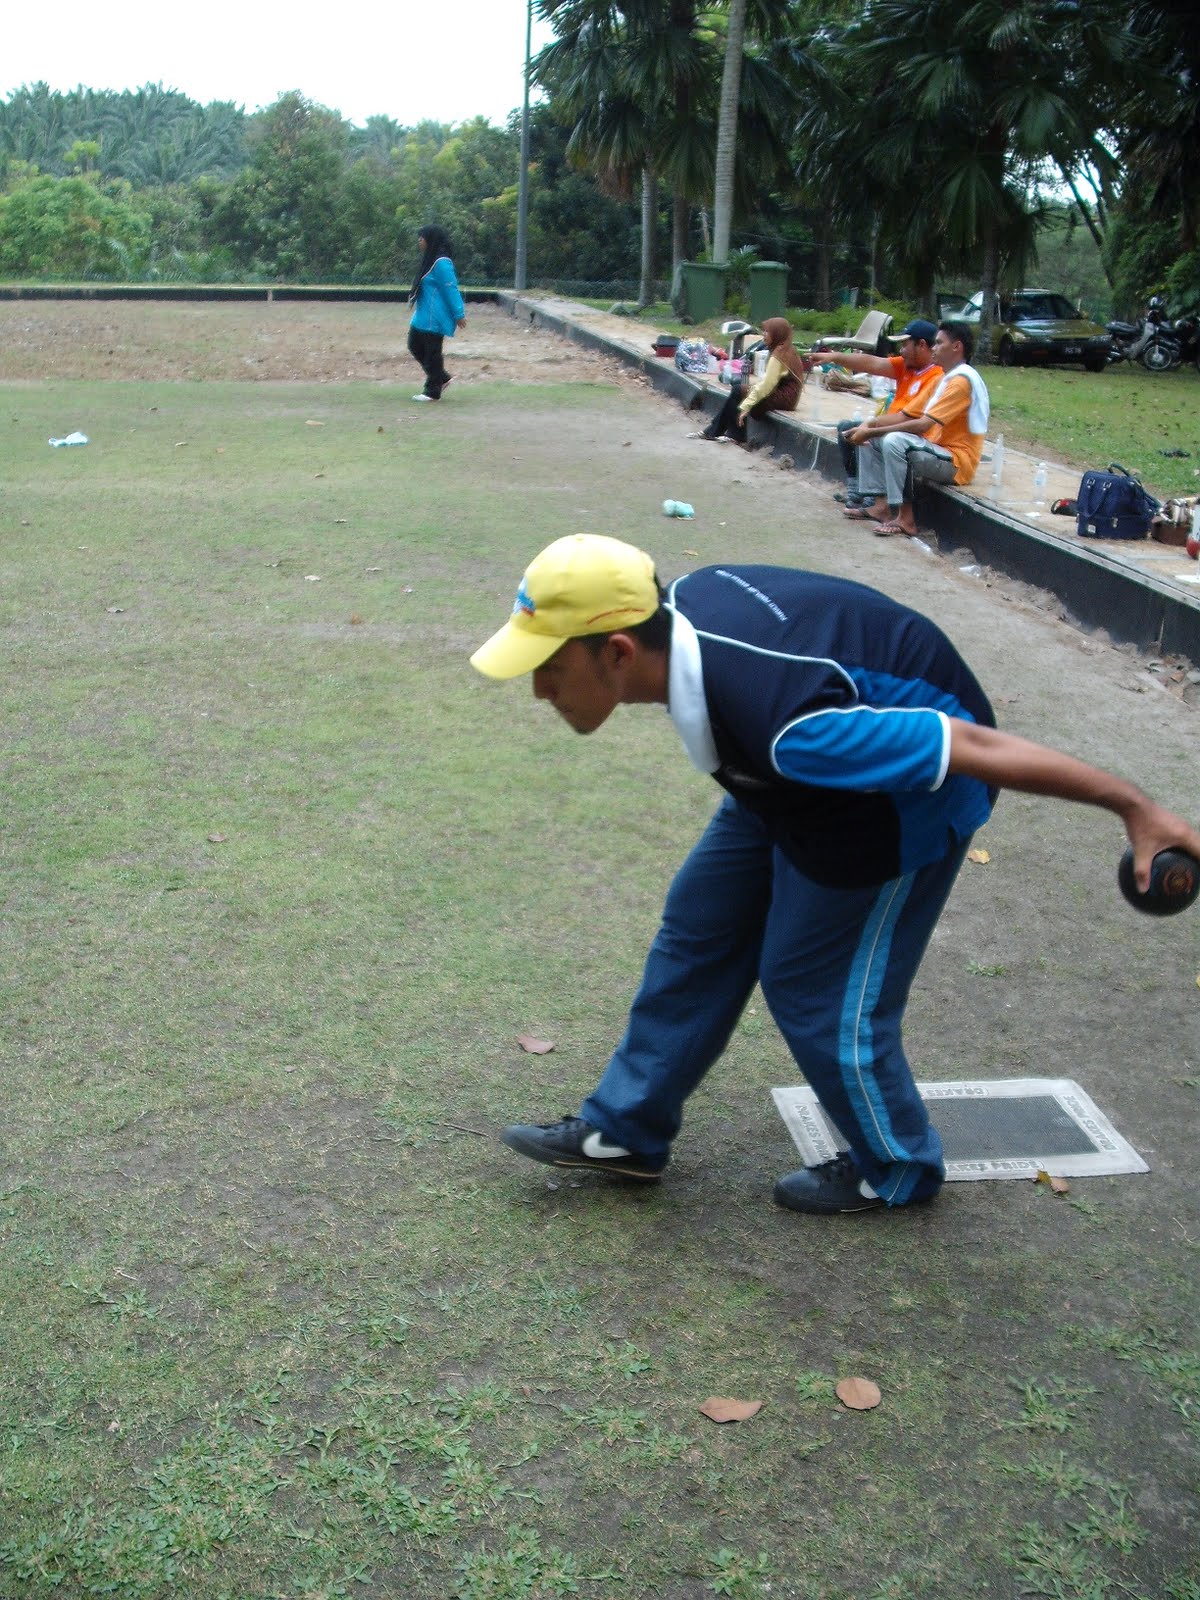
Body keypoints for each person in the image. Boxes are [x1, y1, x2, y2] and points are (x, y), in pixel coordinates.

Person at [470, 534, 1200, 1216]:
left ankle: (899, 1167)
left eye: (550, 668)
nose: (540, 691)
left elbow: (969, 741)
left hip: (891, 804)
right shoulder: (685, 611)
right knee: (700, 927)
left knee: (814, 988)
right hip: (791, 770)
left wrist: (1134, 807)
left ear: (620, 652)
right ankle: (626, 1130)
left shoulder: (797, 730)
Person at [842, 320, 988, 536]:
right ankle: (881, 506)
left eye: (938, 343)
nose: (934, 348)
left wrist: (871, 430)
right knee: (876, 438)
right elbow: (906, 415)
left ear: (956, 347)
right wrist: (868, 426)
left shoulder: (960, 382)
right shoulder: (945, 379)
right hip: (936, 450)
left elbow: (923, 424)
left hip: (956, 461)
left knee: (894, 441)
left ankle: (906, 519)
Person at [813, 319, 943, 511]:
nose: (900, 350)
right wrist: (836, 357)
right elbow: (872, 363)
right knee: (846, 428)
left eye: (904, 344)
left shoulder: (936, 376)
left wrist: (871, 425)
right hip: (892, 425)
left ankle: (874, 498)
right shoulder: (907, 365)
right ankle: (856, 488)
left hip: (911, 433)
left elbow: (909, 418)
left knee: (869, 434)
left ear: (921, 345)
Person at [691, 317, 809, 444]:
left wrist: (747, 404)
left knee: (739, 391)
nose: (764, 335)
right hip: (787, 396)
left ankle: (723, 433)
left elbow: (767, 385)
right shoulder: (786, 349)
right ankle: (723, 433)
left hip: (784, 398)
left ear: (777, 334)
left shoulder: (779, 353)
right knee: (740, 389)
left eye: (768, 332)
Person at [407, 225, 466, 402]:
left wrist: (459, 313)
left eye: (422, 237)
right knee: (414, 344)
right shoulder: (430, 259)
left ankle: (432, 391)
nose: (419, 240)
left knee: (432, 352)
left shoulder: (441, 263)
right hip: (423, 315)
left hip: (435, 316)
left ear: (430, 239)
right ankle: (442, 377)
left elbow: (451, 288)